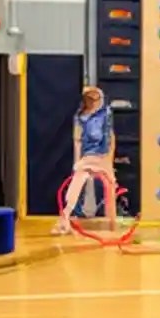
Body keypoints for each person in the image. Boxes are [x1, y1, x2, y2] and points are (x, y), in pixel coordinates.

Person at [53, 86, 116, 235]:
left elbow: (111, 137)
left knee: (111, 185)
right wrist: (77, 161)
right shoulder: (80, 117)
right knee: (76, 184)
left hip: (103, 156)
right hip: (88, 157)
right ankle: (64, 219)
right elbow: (77, 140)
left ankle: (112, 223)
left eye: (96, 98)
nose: (93, 101)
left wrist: (109, 160)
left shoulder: (105, 114)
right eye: (90, 98)